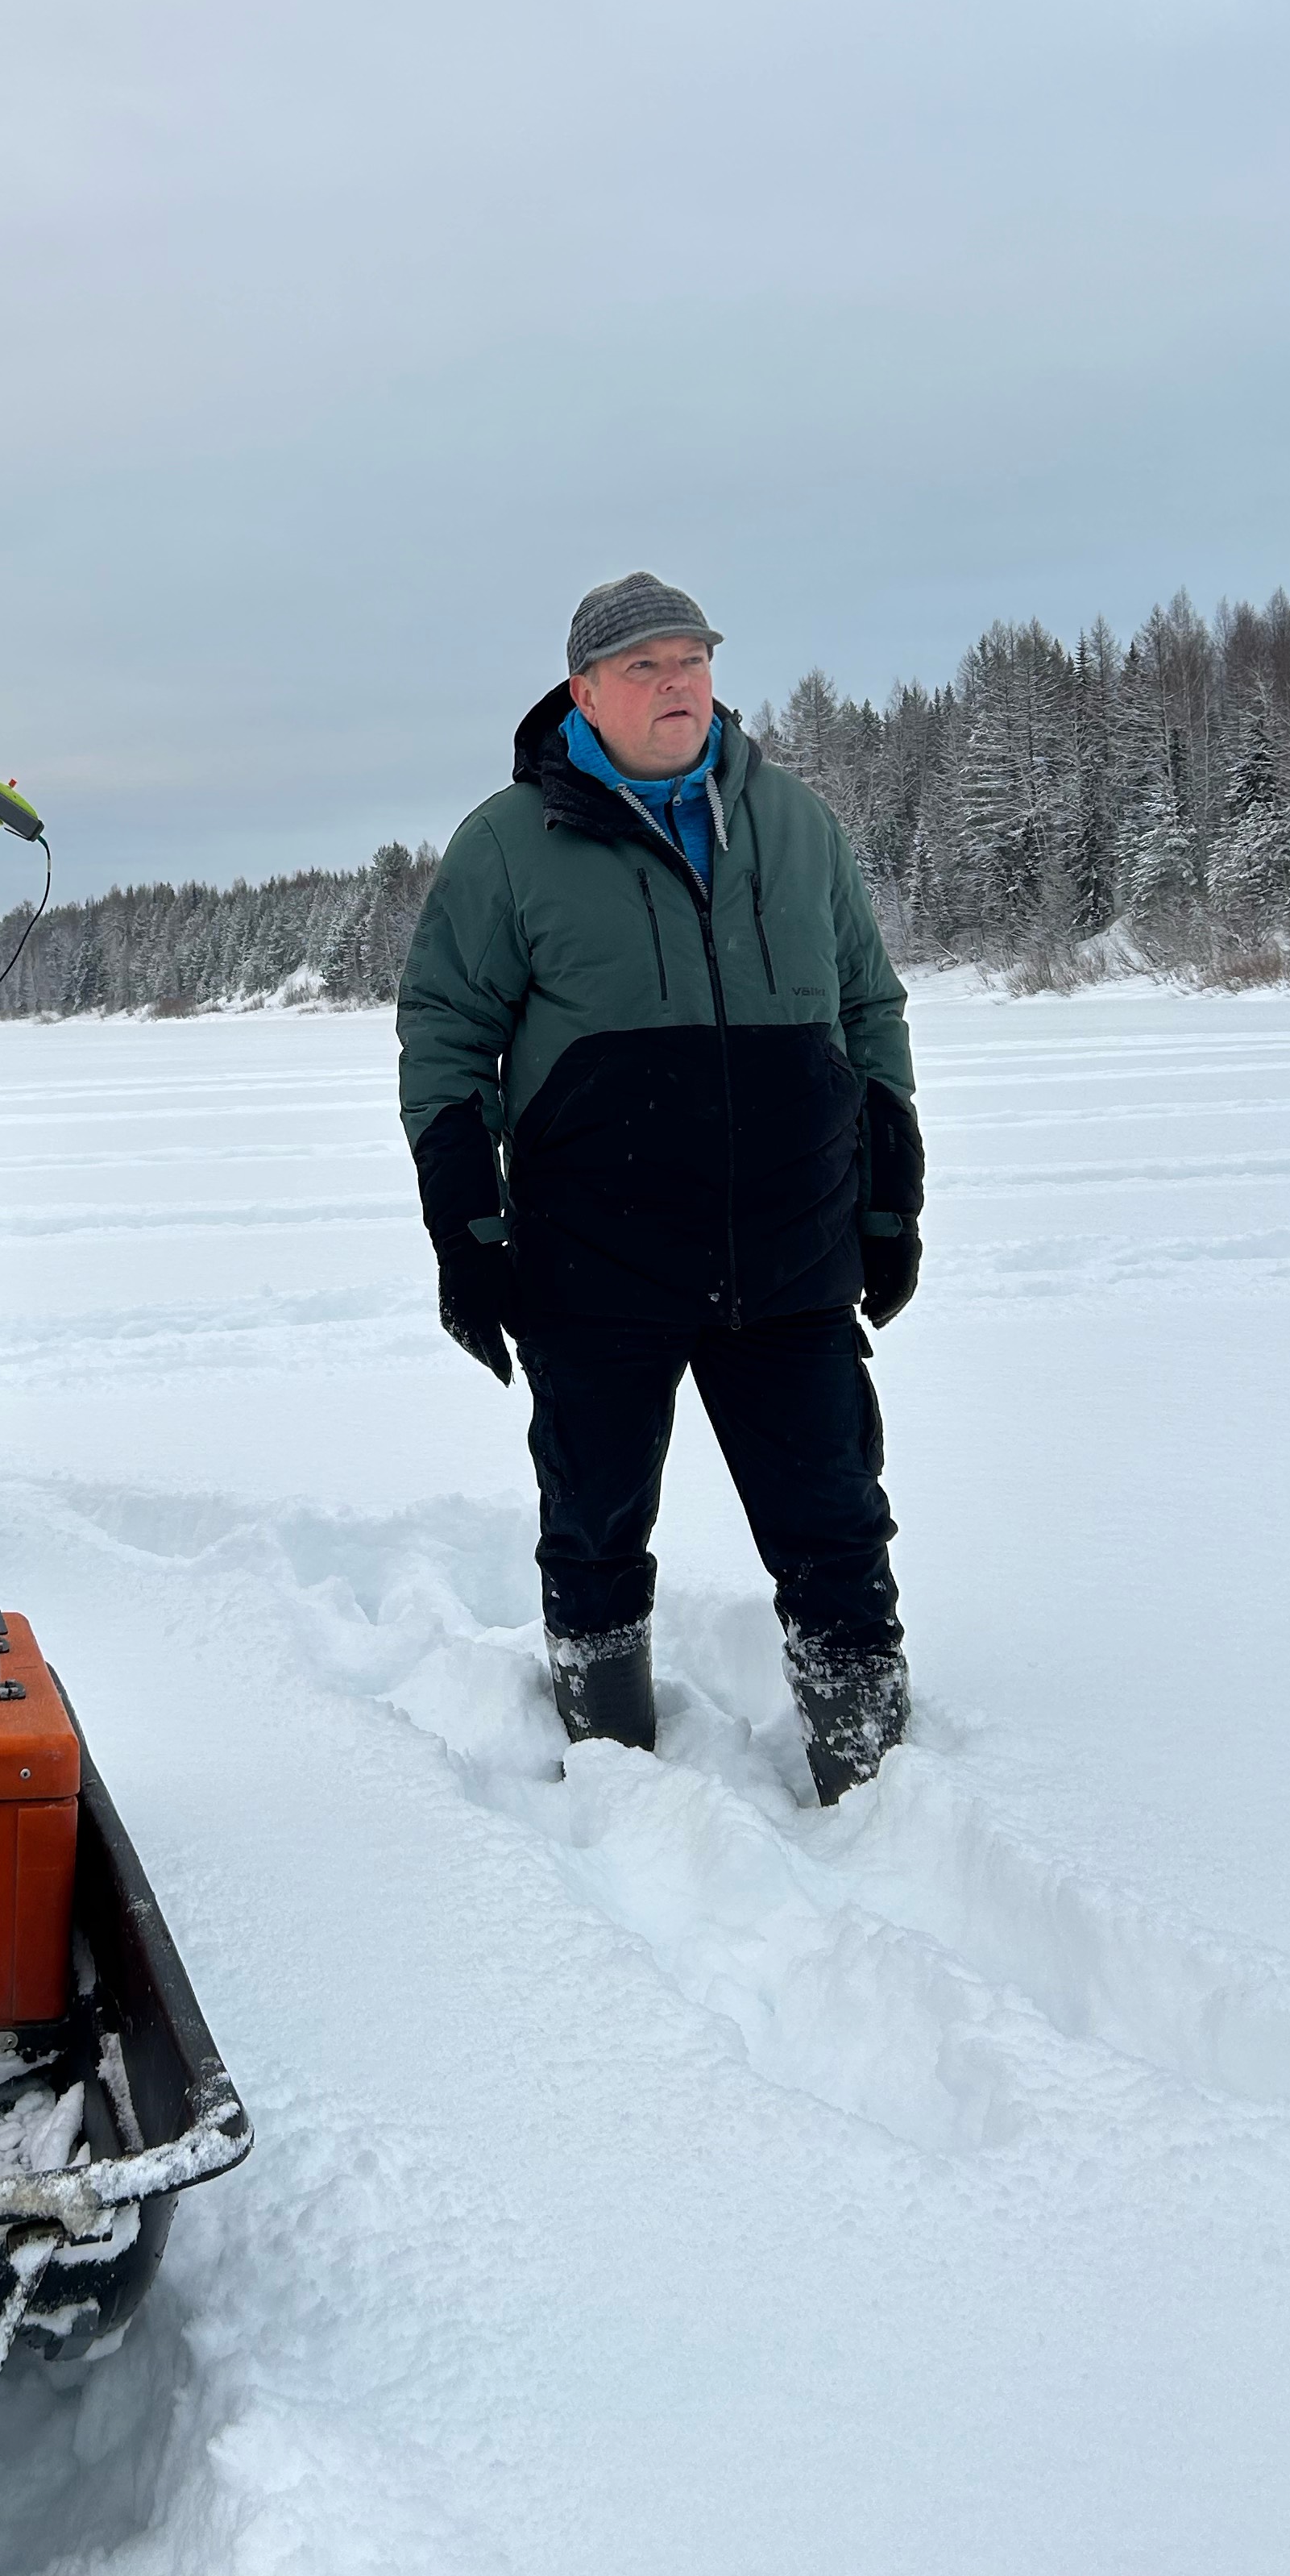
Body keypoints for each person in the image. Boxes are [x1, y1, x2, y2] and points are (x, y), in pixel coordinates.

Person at [395, 574, 925, 1799]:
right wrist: (467, 1232)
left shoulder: (795, 824)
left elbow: (868, 1009)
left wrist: (889, 1196)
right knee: (593, 1524)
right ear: (583, 692)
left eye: (692, 659)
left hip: (791, 1253)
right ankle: (612, 1760)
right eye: (645, 667)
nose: (678, 683)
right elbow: (445, 1039)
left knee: (838, 1525)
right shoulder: (508, 844)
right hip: (595, 1263)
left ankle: (877, 1779)